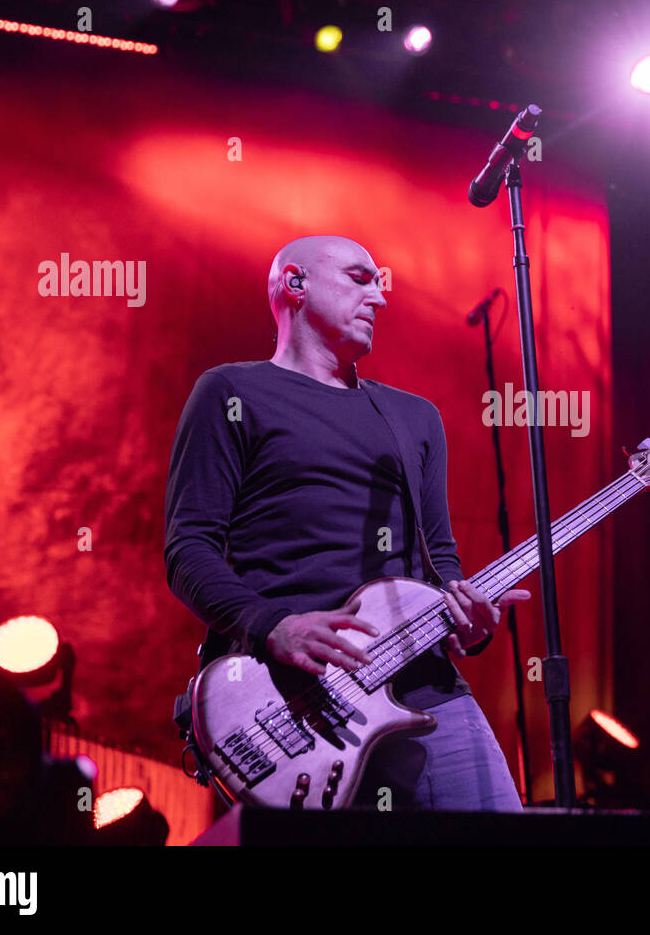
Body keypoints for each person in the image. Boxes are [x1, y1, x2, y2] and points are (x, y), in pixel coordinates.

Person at [164, 234, 530, 811]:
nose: (380, 297)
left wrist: (469, 623)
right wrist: (273, 626)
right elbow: (188, 550)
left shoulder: (414, 417)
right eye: (360, 279)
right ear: (295, 284)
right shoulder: (233, 392)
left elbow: (442, 561)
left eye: (380, 281)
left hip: (426, 687)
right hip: (293, 699)